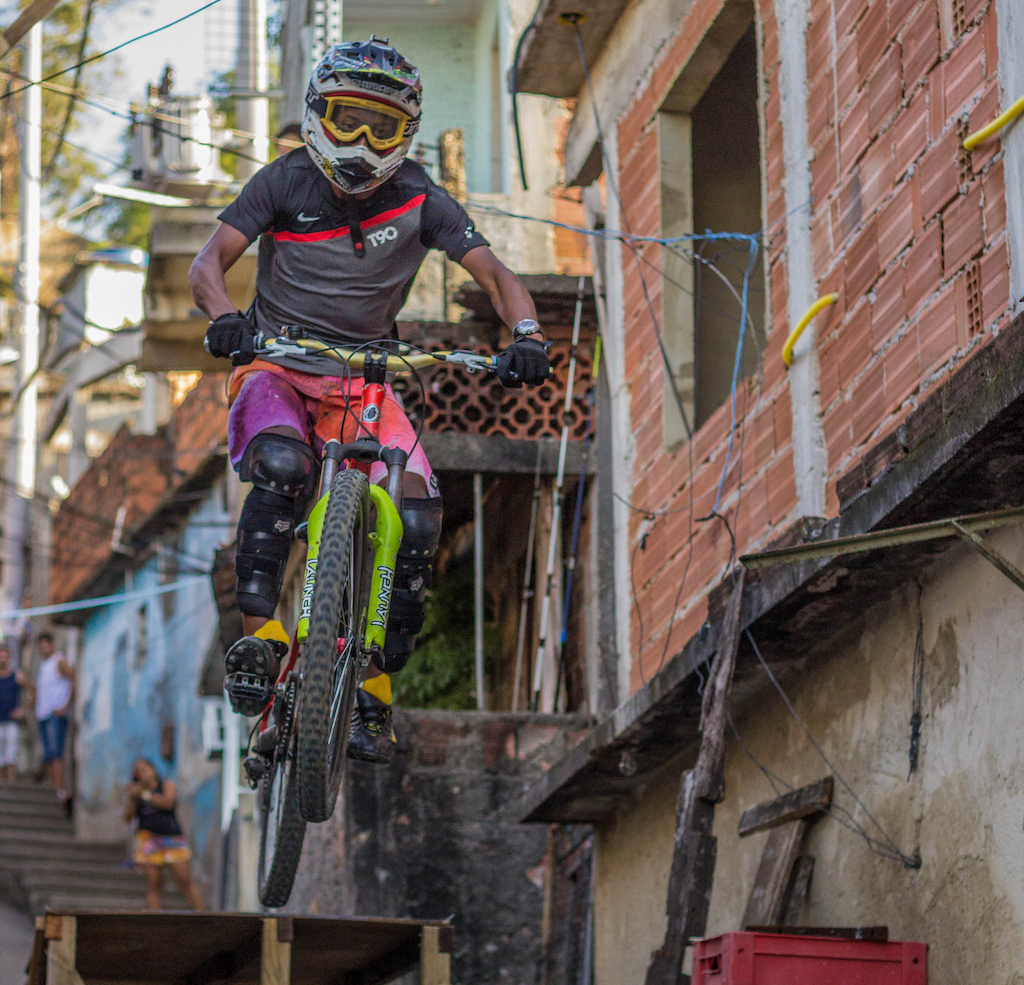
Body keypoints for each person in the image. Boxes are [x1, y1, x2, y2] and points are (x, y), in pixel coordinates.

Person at [189, 38, 549, 764]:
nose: (360, 143)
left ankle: (375, 691)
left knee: (417, 516)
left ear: (405, 136)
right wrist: (224, 318)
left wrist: (530, 332)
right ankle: (262, 636)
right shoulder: (283, 181)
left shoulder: (421, 196)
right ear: (317, 114)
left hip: (365, 379)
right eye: (347, 119)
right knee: (284, 464)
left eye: (380, 127)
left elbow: (496, 273)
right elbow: (208, 263)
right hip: (279, 368)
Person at [124, 758, 205, 911]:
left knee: (185, 880)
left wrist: (144, 794)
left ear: (153, 770)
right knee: (153, 884)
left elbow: (168, 802)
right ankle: (155, 919)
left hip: (171, 838)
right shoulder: (137, 793)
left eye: (144, 768)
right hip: (149, 840)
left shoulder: (167, 785)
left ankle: (203, 916)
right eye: (138, 771)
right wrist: (131, 797)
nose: (142, 773)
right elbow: (127, 817)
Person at [34, 633, 74, 805]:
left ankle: (59, 789)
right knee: (49, 755)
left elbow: (73, 677)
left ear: (51, 645)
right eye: (41, 646)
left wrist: (66, 705)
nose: (44, 648)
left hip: (55, 715)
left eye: (46, 645)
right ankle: (52, 789)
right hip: (42, 714)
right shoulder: (44, 666)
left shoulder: (59, 660)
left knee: (56, 753)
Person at [0, 641, 27, 783]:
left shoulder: (17, 675)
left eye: (5, 656)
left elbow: (32, 691)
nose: (3, 659)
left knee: (11, 754)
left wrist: (24, 710)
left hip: (11, 721)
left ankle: (11, 784)